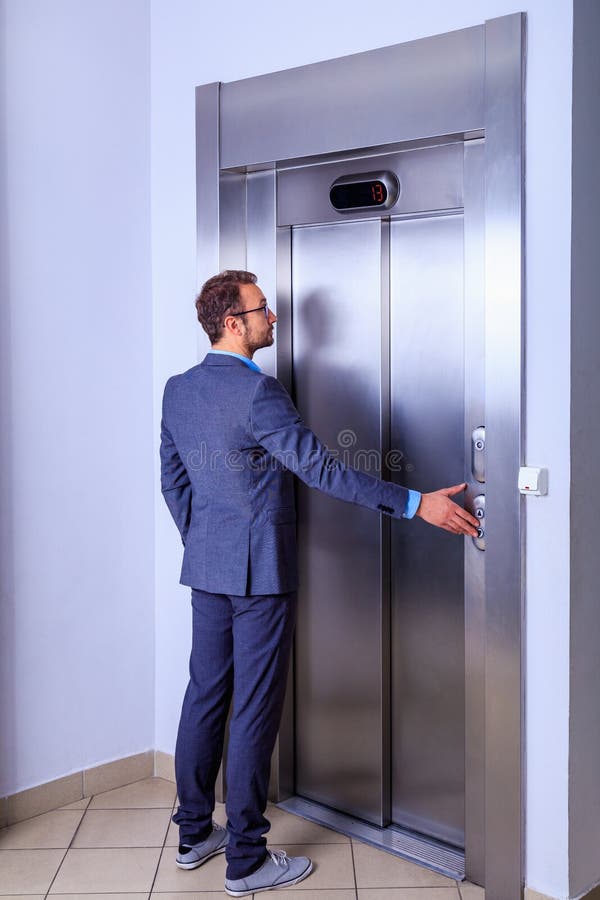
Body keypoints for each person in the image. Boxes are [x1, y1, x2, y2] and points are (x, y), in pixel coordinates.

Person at [160, 270, 479, 897]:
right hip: (258, 575)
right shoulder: (260, 394)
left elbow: (173, 480)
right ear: (233, 322)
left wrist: (204, 541)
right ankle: (246, 859)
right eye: (262, 310)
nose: (272, 318)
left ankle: (194, 833)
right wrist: (417, 504)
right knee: (252, 708)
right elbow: (323, 471)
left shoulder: (178, 389)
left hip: (208, 568)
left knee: (204, 696)